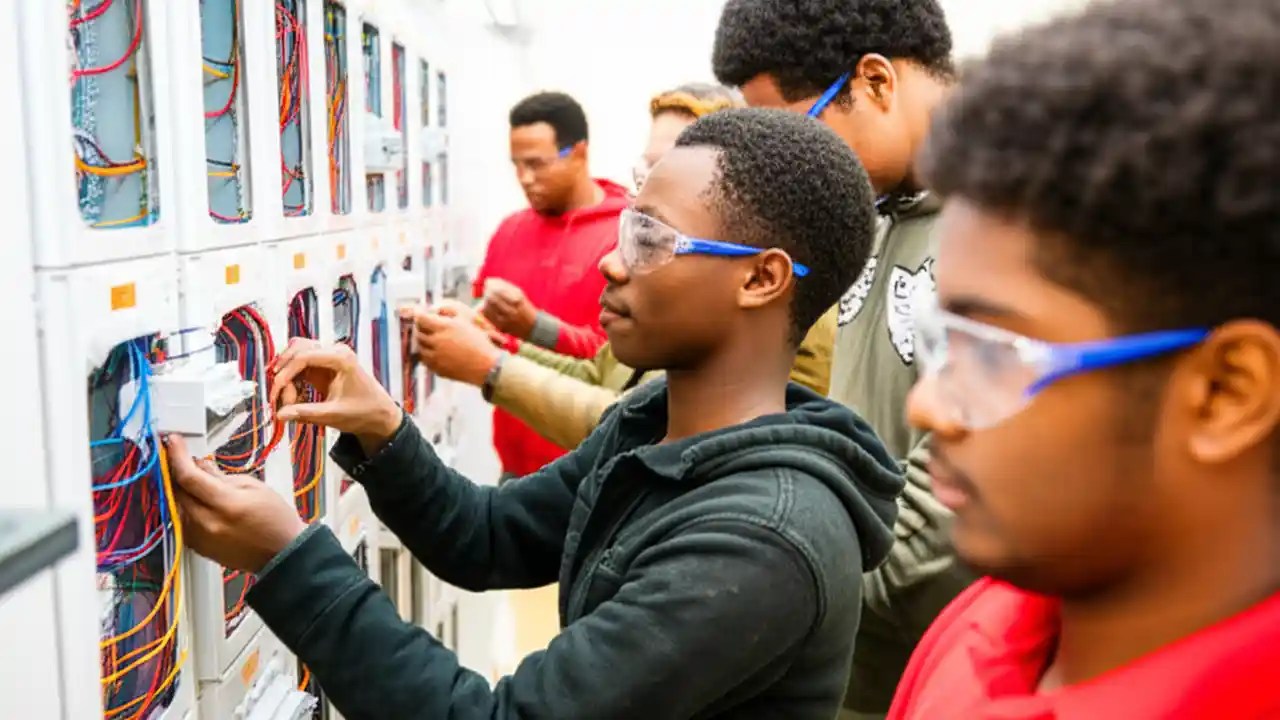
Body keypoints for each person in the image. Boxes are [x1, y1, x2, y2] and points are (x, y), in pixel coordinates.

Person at [165, 108, 906, 718]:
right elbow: (489, 537)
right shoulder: (655, 420)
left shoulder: (760, 542)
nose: (610, 264)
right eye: (625, 230)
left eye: (649, 238)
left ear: (761, 278)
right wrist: (381, 427)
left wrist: (287, 560)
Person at [888, 0, 1280, 717]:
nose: (926, 405)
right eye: (939, 341)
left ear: (1227, 391)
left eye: (990, 350)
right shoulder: (981, 627)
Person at [711, 1, 968, 716]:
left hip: (924, 667)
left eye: (798, 131)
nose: (789, 172)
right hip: (848, 656)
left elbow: (947, 520)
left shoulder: (999, 222)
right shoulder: (873, 214)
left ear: (877, 82)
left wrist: (779, 585)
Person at [412, 83, 839, 451]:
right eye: (647, 165)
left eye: (668, 164)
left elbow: (637, 423)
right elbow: (601, 373)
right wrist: (493, 342)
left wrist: (491, 365)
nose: (612, 265)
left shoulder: (745, 289)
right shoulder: (528, 232)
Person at [474, 91, 630, 480]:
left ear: (578, 152)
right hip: (515, 468)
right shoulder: (510, 230)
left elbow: (617, 365)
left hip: (590, 469)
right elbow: (487, 327)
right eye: (517, 165)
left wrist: (533, 326)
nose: (525, 178)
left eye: (537, 164)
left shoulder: (625, 236)